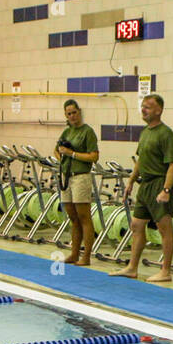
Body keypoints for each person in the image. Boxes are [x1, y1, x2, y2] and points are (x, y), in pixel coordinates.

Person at [112, 94, 173, 283]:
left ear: (159, 110)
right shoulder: (145, 132)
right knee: (136, 225)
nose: (144, 109)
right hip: (145, 184)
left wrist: (166, 190)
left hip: (160, 183)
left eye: (148, 107)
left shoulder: (166, 133)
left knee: (164, 227)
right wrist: (131, 181)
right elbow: (140, 160)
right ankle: (132, 267)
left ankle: (165, 271)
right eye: (143, 106)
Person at [55, 99, 100, 266]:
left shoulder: (87, 132)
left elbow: (94, 156)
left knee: (84, 216)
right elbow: (57, 150)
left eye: (74, 112)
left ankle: (86, 255)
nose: (72, 116)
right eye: (69, 114)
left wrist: (72, 154)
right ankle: (74, 253)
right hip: (67, 176)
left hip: (81, 176)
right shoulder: (66, 132)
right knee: (73, 217)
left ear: (79, 112)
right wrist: (63, 158)